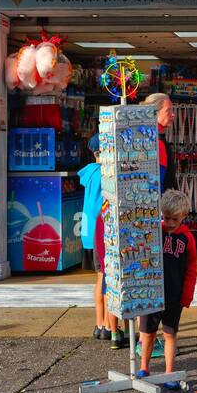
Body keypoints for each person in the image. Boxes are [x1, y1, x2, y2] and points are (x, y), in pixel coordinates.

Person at [136, 189, 197, 386]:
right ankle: (144, 368)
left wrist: (186, 296)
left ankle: (169, 372)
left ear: (184, 216)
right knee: (147, 333)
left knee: (170, 334)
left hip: (174, 296)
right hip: (151, 293)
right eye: (166, 218)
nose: (170, 223)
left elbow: (191, 269)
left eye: (175, 219)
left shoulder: (187, 238)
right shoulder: (154, 232)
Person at [77, 134, 115, 340]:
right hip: (101, 232)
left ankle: (99, 323)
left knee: (99, 278)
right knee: (107, 279)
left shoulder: (89, 173)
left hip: (88, 231)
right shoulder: (105, 174)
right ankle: (110, 326)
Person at [93, 195, 127, 349]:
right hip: (117, 260)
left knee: (110, 293)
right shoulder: (120, 212)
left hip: (106, 260)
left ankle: (109, 330)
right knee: (127, 297)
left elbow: (100, 241)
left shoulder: (104, 210)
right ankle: (127, 333)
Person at [143, 92, 177, 191]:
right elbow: (157, 182)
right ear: (154, 113)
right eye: (168, 110)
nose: (173, 114)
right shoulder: (158, 143)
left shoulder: (146, 136)